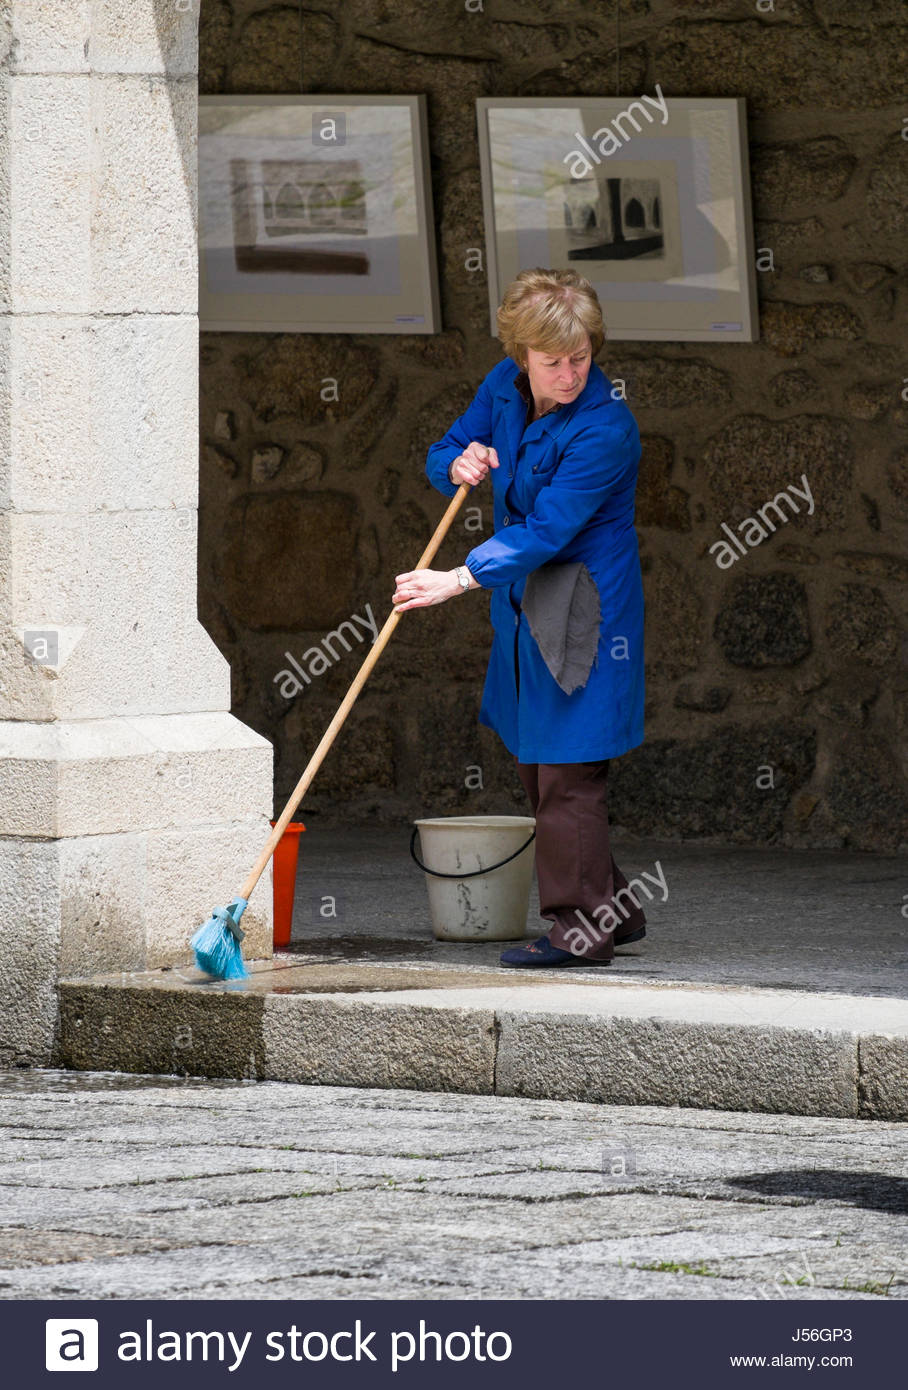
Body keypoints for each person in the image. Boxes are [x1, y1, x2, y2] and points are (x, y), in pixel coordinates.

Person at [392, 266, 647, 967]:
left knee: (568, 772)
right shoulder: (501, 388)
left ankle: (581, 929)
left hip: (584, 608)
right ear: (522, 357)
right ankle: (613, 905)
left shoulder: (606, 428)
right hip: (521, 603)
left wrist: (456, 578)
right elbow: (444, 449)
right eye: (553, 362)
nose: (569, 374)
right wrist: (458, 465)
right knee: (541, 768)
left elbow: (549, 530)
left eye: (582, 358)